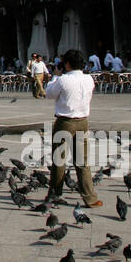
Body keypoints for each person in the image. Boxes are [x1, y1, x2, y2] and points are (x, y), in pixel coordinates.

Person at [44, 48, 102, 208]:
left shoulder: (62, 80)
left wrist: (55, 76)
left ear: (67, 64)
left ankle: (55, 193)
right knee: (82, 161)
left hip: (65, 121)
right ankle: (90, 197)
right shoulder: (89, 79)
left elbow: (49, 94)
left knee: (59, 160)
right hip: (83, 121)